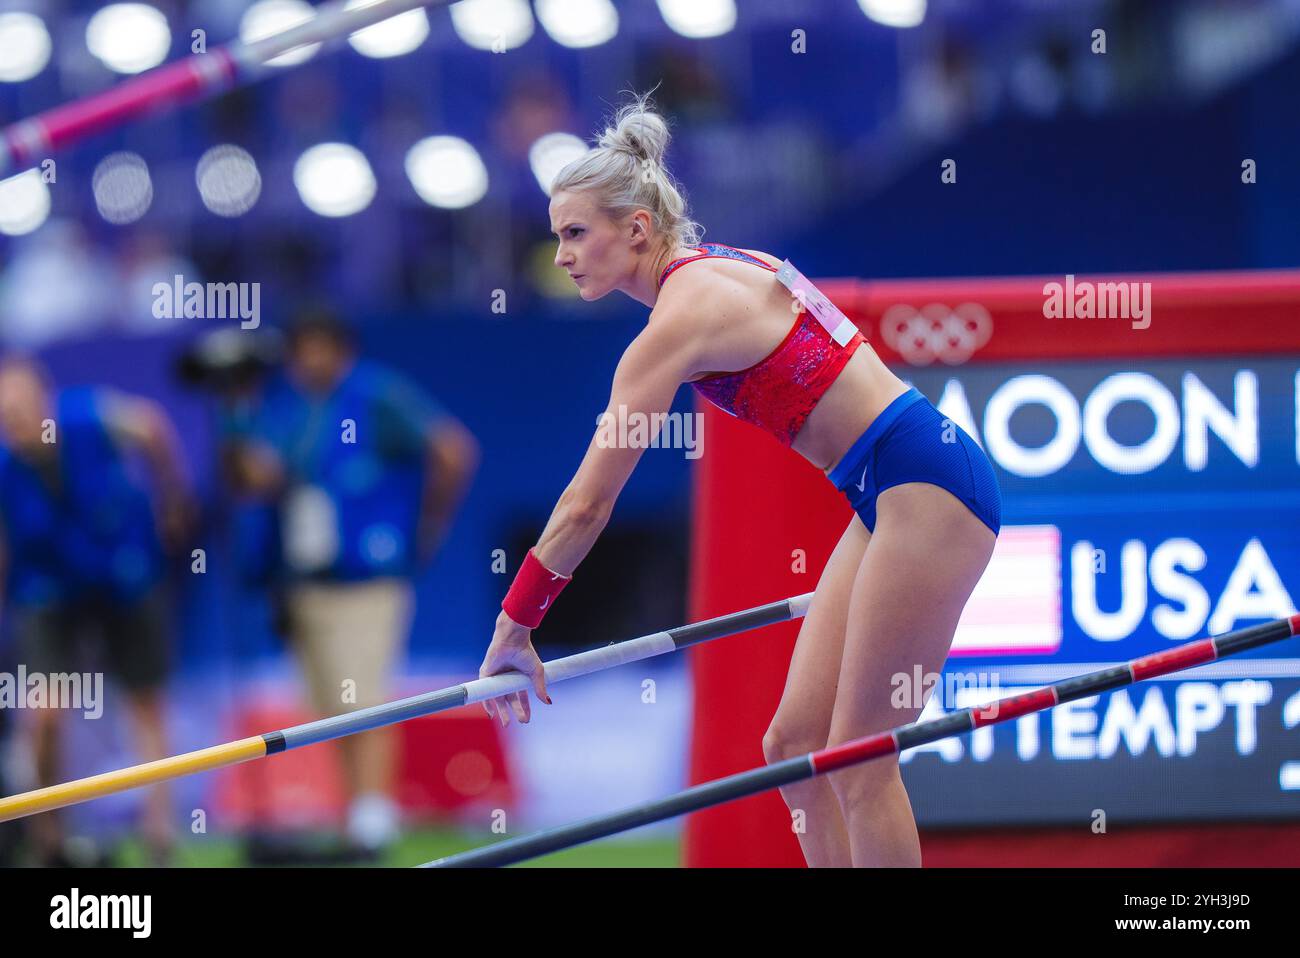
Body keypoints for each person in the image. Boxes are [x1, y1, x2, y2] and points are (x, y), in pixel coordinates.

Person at [477, 92, 1002, 868]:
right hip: (888, 489)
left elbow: (588, 503)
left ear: (638, 228)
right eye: (557, 236)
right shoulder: (720, 267)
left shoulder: (679, 321)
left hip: (927, 485)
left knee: (861, 756)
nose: (561, 256)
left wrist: (516, 625)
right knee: (794, 747)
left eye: (576, 234)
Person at [231, 309, 478, 857]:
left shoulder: (377, 395)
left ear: (342, 348)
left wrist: (426, 529)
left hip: (367, 580)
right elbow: (257, 481)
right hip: (303, 581)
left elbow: (452, 450)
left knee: (364, 701)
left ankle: (374, 823)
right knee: (328, 711)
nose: (309, 360)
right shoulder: (290, 411)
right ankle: (353, 821)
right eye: (300, 349)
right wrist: (234, 412)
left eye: (319, 347)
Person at [0, 355, 193, 866]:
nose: (12, 425)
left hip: (124, 576)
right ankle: (50, 841)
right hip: (49, 591)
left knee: (146, 706)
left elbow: (153, 426)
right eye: (4, 418)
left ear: (44, 403)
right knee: (43, 712)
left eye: (18, 411)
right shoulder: (4, 469)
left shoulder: (91, 417)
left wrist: (172, 500)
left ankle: (160, 838)